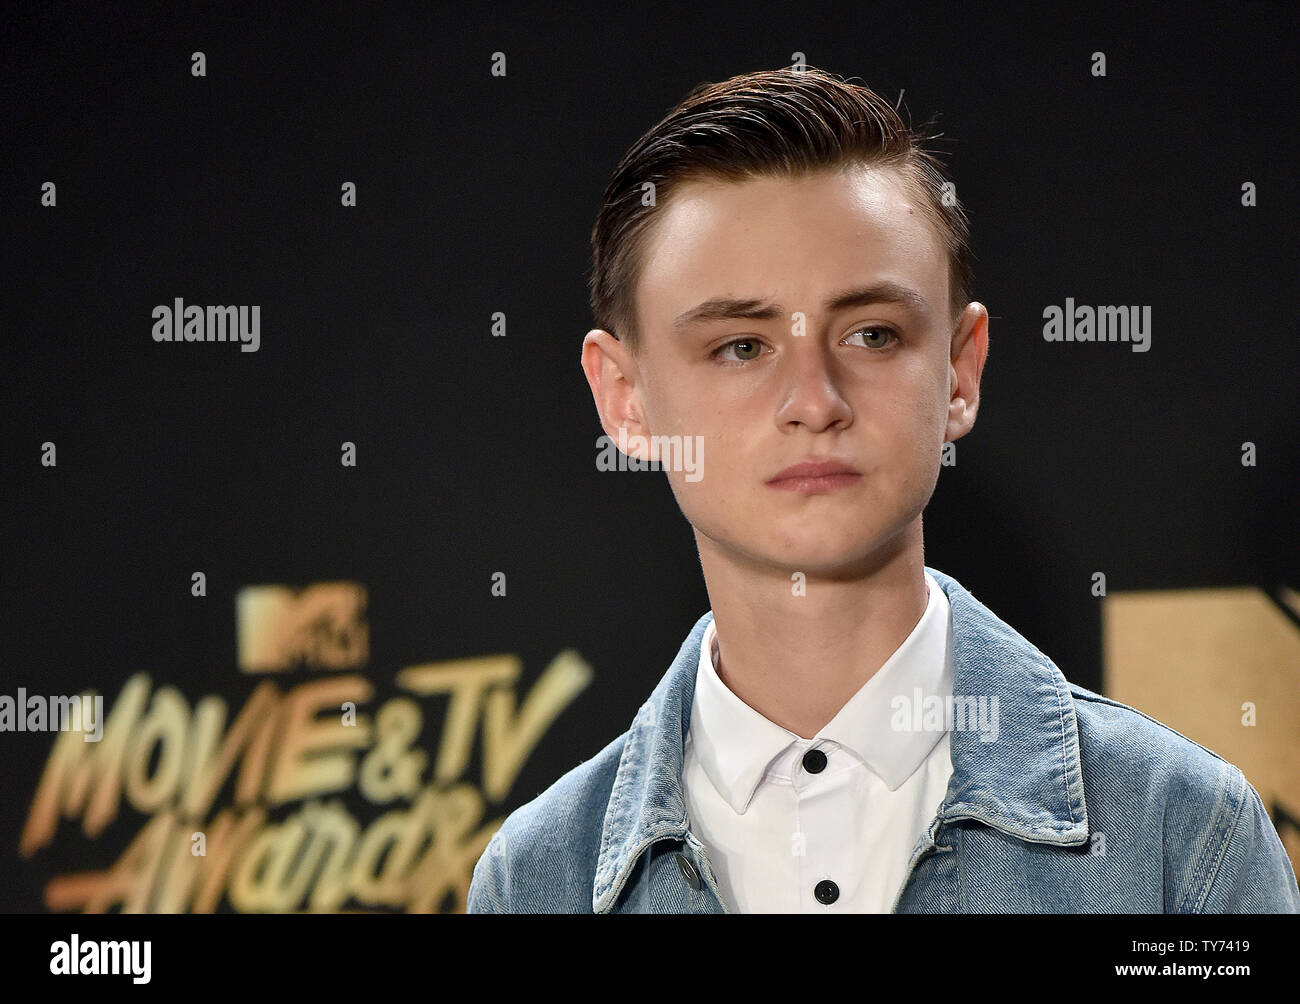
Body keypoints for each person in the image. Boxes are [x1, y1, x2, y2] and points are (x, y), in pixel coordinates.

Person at [466, 66, 1300, 913]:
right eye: (741, 347)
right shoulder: (536, 881)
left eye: (872, 334)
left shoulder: (1182, 836)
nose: (815, 403)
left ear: (960, 371)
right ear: (624, 398)